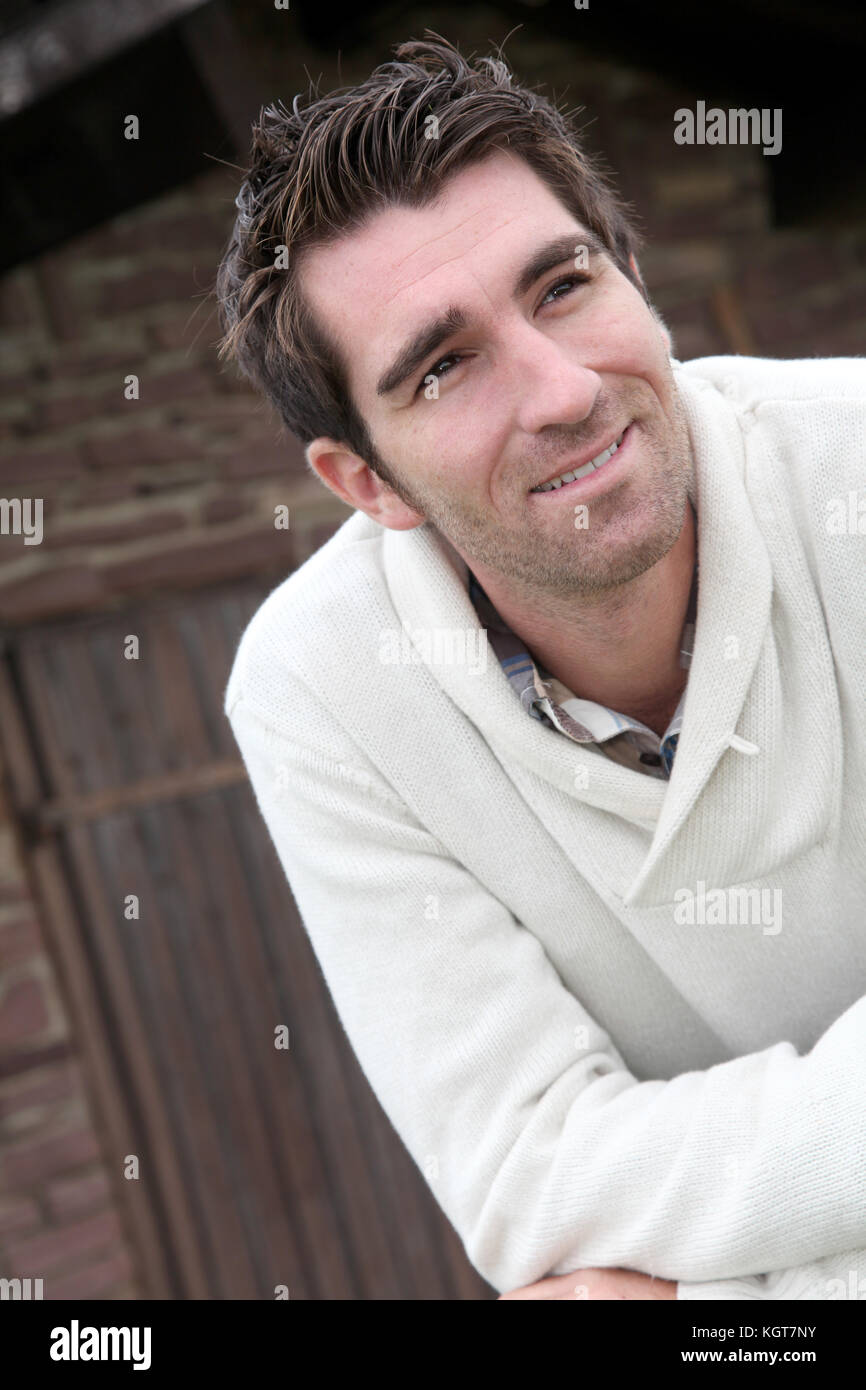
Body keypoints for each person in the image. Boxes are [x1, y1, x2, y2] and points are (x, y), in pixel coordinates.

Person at [215, 33, 866, 1299]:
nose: (562, 392)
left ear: (632, 270)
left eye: (562, 286)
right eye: (443, 366)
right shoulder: (317, 691)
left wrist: (715, 1275)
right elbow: (529, 1187)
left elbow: (601, 1235)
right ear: (365, 482)